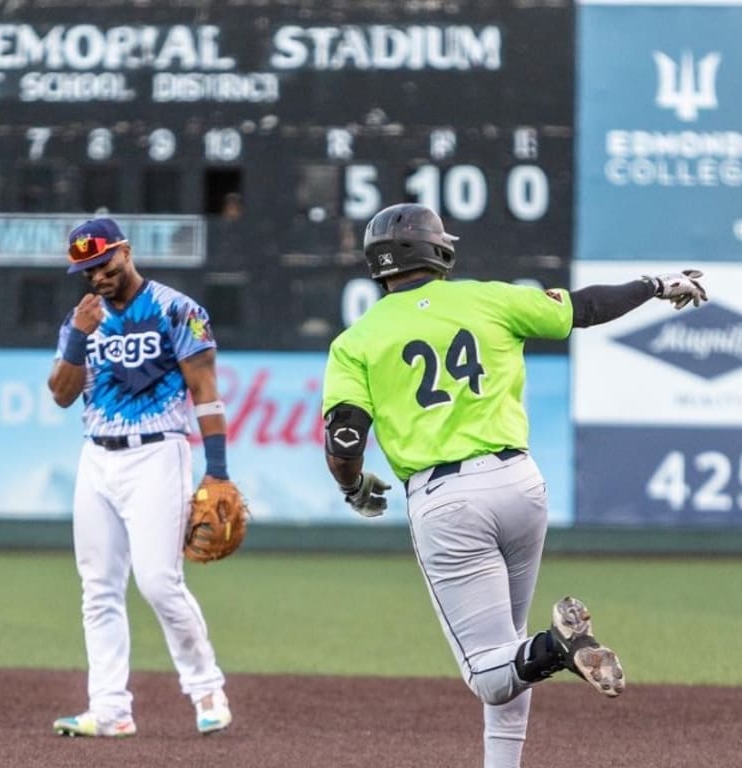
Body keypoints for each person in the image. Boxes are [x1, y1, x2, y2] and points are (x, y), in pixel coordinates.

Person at [319, 203, 707, 768]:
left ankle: (563, 647)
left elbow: (345, 443)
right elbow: (586, 308)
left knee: (488, 675)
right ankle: (535, 685)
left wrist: (353, 488)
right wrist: (654, 284)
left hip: (446, 501)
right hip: (520, 486)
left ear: (377, 265)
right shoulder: (488, 298)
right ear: (438, 250)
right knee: (512, 650)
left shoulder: (356, 341)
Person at [46, 217, 234, 737]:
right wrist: (78, 338)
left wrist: (216, 472)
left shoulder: (178, 310)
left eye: (103, 264)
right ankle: (109, 709)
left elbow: (205, 391)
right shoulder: (81, 319)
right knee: (99, 588)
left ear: (126, 253)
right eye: (86, 270)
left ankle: (206, 688)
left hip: (158, 452)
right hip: (97, 457)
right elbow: (61, 394)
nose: (97, 277)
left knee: (157, 581)